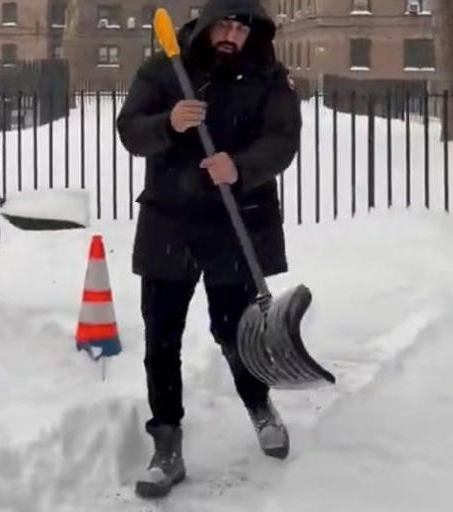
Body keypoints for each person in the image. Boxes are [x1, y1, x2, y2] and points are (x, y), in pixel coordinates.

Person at [117, 0, 302, 498]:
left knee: (236, 331)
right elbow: (129, 129)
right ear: (205, 24)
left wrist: (240, 166)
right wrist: (169, 123)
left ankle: (258, 404)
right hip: (170, 221)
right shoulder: (163, 70)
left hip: (233, 220)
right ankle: (166, 440)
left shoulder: (267, 77)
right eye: (225, 24)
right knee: (161, 338)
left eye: (242, 29)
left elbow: (282, 139)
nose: (232, 36)